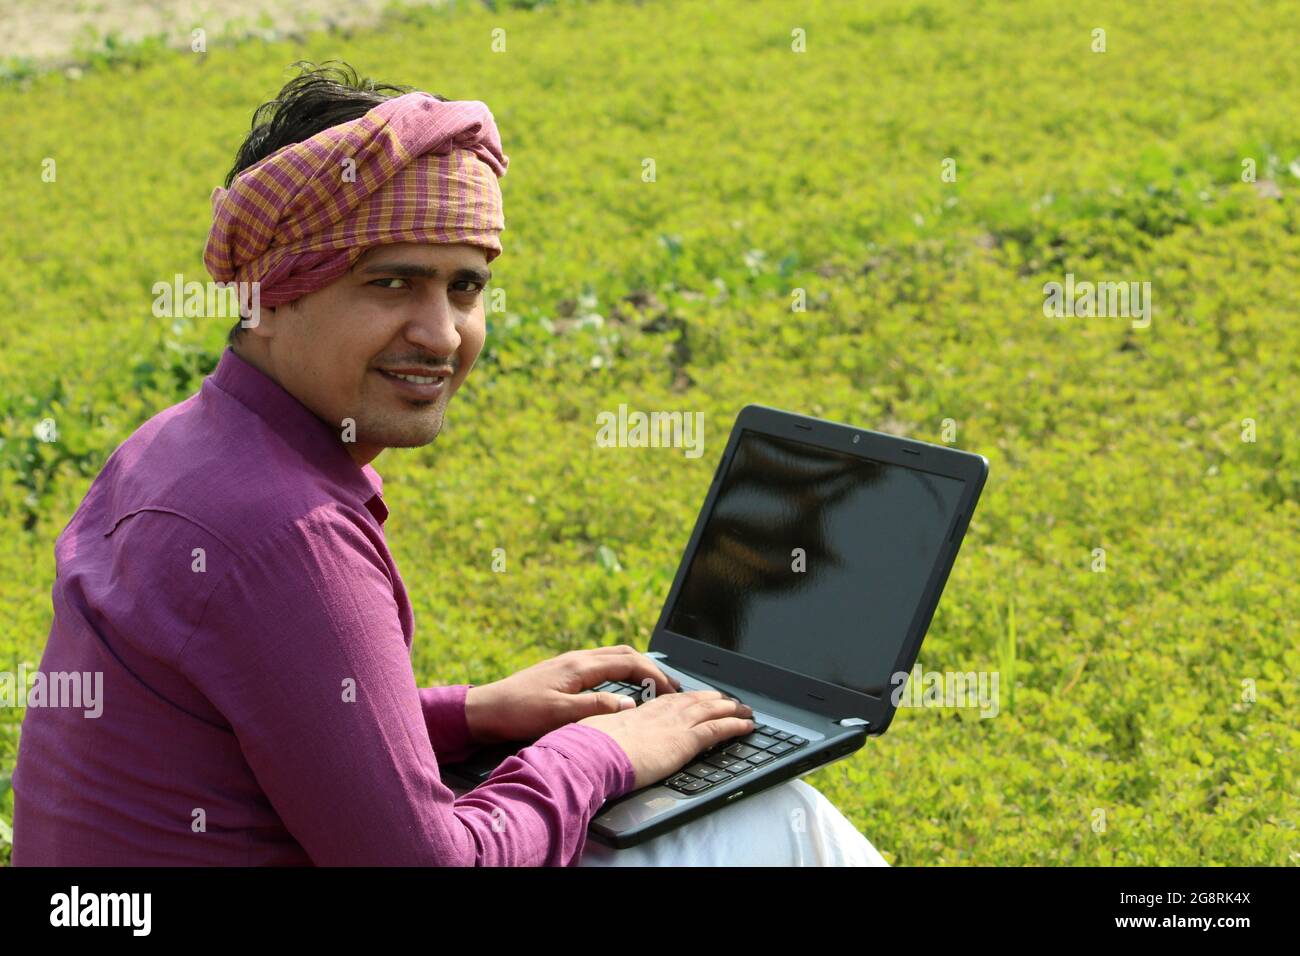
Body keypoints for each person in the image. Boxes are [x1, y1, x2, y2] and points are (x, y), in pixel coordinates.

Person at [11, 61, 888, 867]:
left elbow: (262, 734)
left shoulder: (180, 447)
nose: (440, 335)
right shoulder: (285, 531)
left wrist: (470, 715)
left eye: (465, 287)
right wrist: (602, 752)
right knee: (775, 824)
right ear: (268, 297)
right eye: (390, 283)